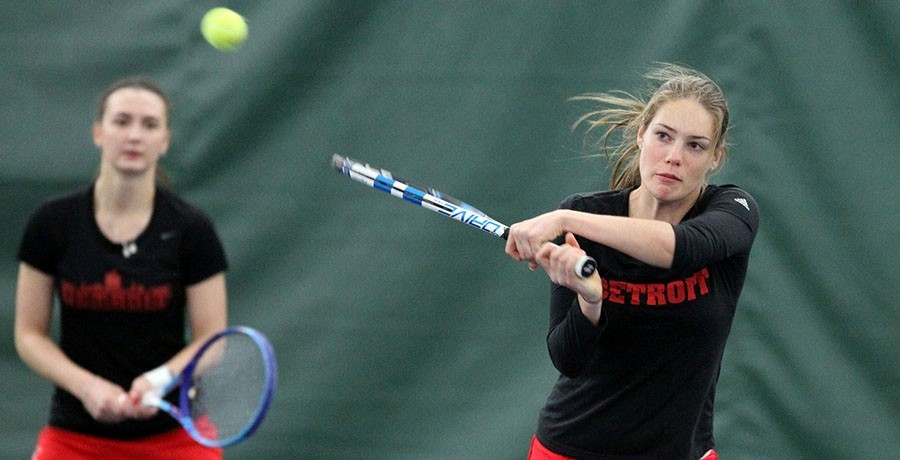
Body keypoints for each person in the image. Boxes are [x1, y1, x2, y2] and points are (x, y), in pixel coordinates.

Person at [505, 63, 759, 460]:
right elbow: (568, 360)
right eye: (663, 136)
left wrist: (564, 220)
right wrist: (590, 300)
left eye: (695, 145)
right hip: (571, 449)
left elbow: (683, 248)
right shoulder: (586, 217)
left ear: (715, 158)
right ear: (641, 135)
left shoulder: (733, 212)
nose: (673, 157)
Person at [14, 76, 228, 459]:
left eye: (149, 125)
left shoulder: (191, 229)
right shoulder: (52, 222)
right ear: (99, 132)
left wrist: (160, 381)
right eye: (121, 121)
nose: (134, 136)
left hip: (176, 436)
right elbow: (29, 335)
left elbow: (213, 338)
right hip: (74, 436)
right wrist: (86, 387)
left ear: (164, 142)